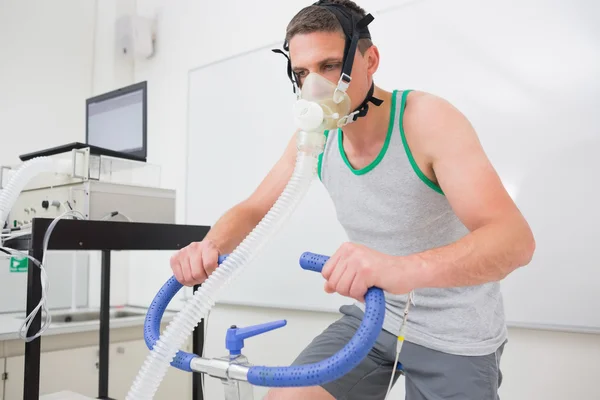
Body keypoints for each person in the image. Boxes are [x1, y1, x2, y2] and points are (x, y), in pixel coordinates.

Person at [170, 1, 536, 399]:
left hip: (456, 332)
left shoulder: (426, 120)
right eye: (301, 73)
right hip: (377, 317)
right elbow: (255, 208)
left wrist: (402, 269)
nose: (315, 87)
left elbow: (514, 240)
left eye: (329, 66)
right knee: (285, 397)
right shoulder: (317, 139)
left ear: (370, 60)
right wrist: (210, 246)